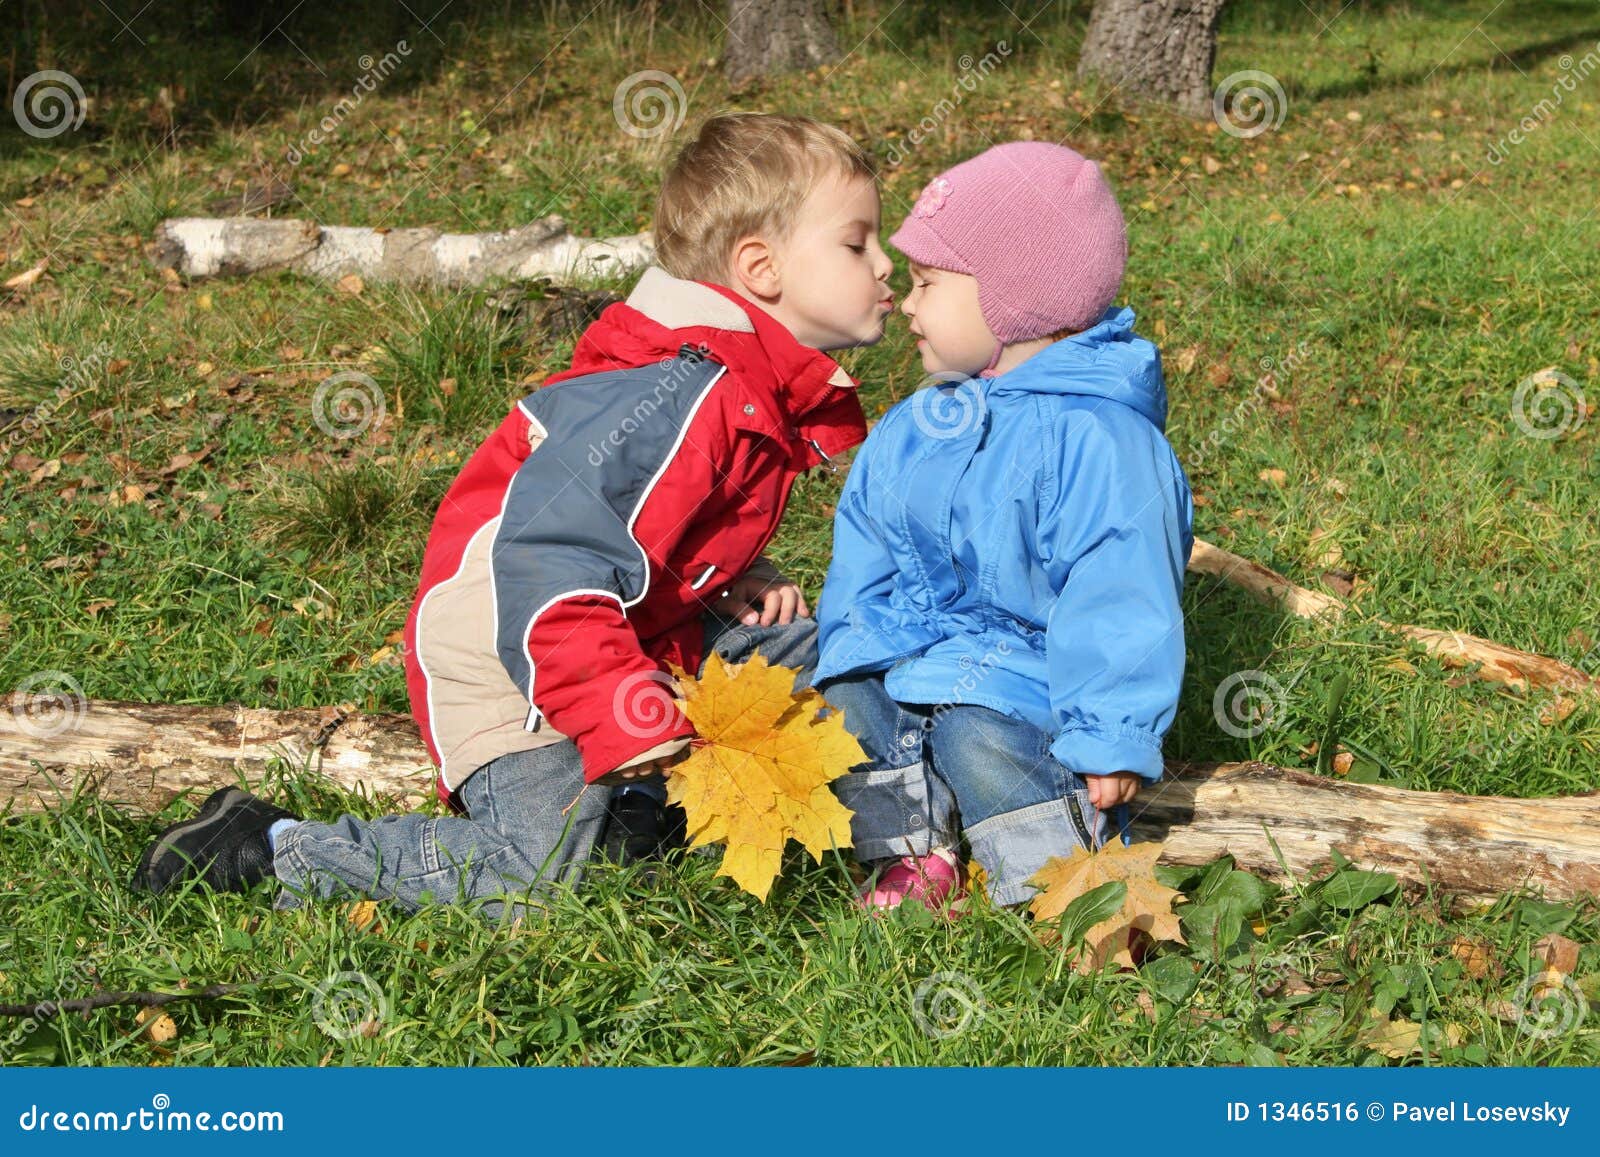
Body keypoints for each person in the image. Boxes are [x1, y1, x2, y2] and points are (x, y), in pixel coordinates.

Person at [134, 113, 897, 919]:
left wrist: (732, 574)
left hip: (625, 635)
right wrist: (618, 716)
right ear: (760, 266)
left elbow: (648, 523)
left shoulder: (740, 386)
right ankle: (272, 847)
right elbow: (549, 558)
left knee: (842, 654)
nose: (886, 265)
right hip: (512, 657)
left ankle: (679, 816)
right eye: (858, 244)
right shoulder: (674, 394)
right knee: (536, 880)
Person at [813, 142, 1195, 912]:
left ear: (1014, 298)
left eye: (928, 283)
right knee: (848, 701)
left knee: (975, 738)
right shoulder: (919, 423)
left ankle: (1050, 880)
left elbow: (1121, 594)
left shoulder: (1100, 441)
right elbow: (865, 549)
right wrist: (853, 646)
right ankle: (911, 858)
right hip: (914, 649)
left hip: (1027, 678)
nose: (906, 303)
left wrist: (1111, 731)